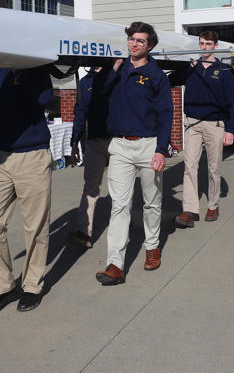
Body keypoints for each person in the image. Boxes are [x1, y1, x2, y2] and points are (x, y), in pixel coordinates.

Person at [0, 65, 54, 316]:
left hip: (32, 155)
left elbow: (44, 99)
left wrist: (21, 72)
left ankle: (31, 285)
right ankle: (3, 286)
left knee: (35, 225)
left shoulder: (35, 69)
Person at [95, 21, 173, 286]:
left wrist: (162, 150)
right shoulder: (117, 69)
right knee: (119, 205)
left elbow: (166, 114)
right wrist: (112, 72)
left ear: (150, 45)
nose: (134, 44)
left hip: (149, 145)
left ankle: (152, 246)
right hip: (120, 147)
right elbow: (98, 95)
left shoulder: (156, 75)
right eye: (131, 39)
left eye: (140, 41)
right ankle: (115, 264)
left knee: (151, 201)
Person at [171, 31, 234, 228]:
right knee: (190, 166)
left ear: (216, 46)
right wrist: (188, 67)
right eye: (201, 43)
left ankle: (213, 205)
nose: (204, 47)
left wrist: (230, 129)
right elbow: (170, 81)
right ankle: (189, 210)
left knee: (213, 167)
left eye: (208, 44)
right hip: (192, 123)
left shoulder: (223, 70)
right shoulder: (191, 68)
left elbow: (232, 102)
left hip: (215, 124)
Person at [68, 65, 111, 248]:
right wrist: (75, 141)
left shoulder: (117, 76)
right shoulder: (86, 82)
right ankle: (84, 232)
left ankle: (125, 225)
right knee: (90, 186)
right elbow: (80, 112)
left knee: (121, 188)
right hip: (94, 139)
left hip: (118, 139)